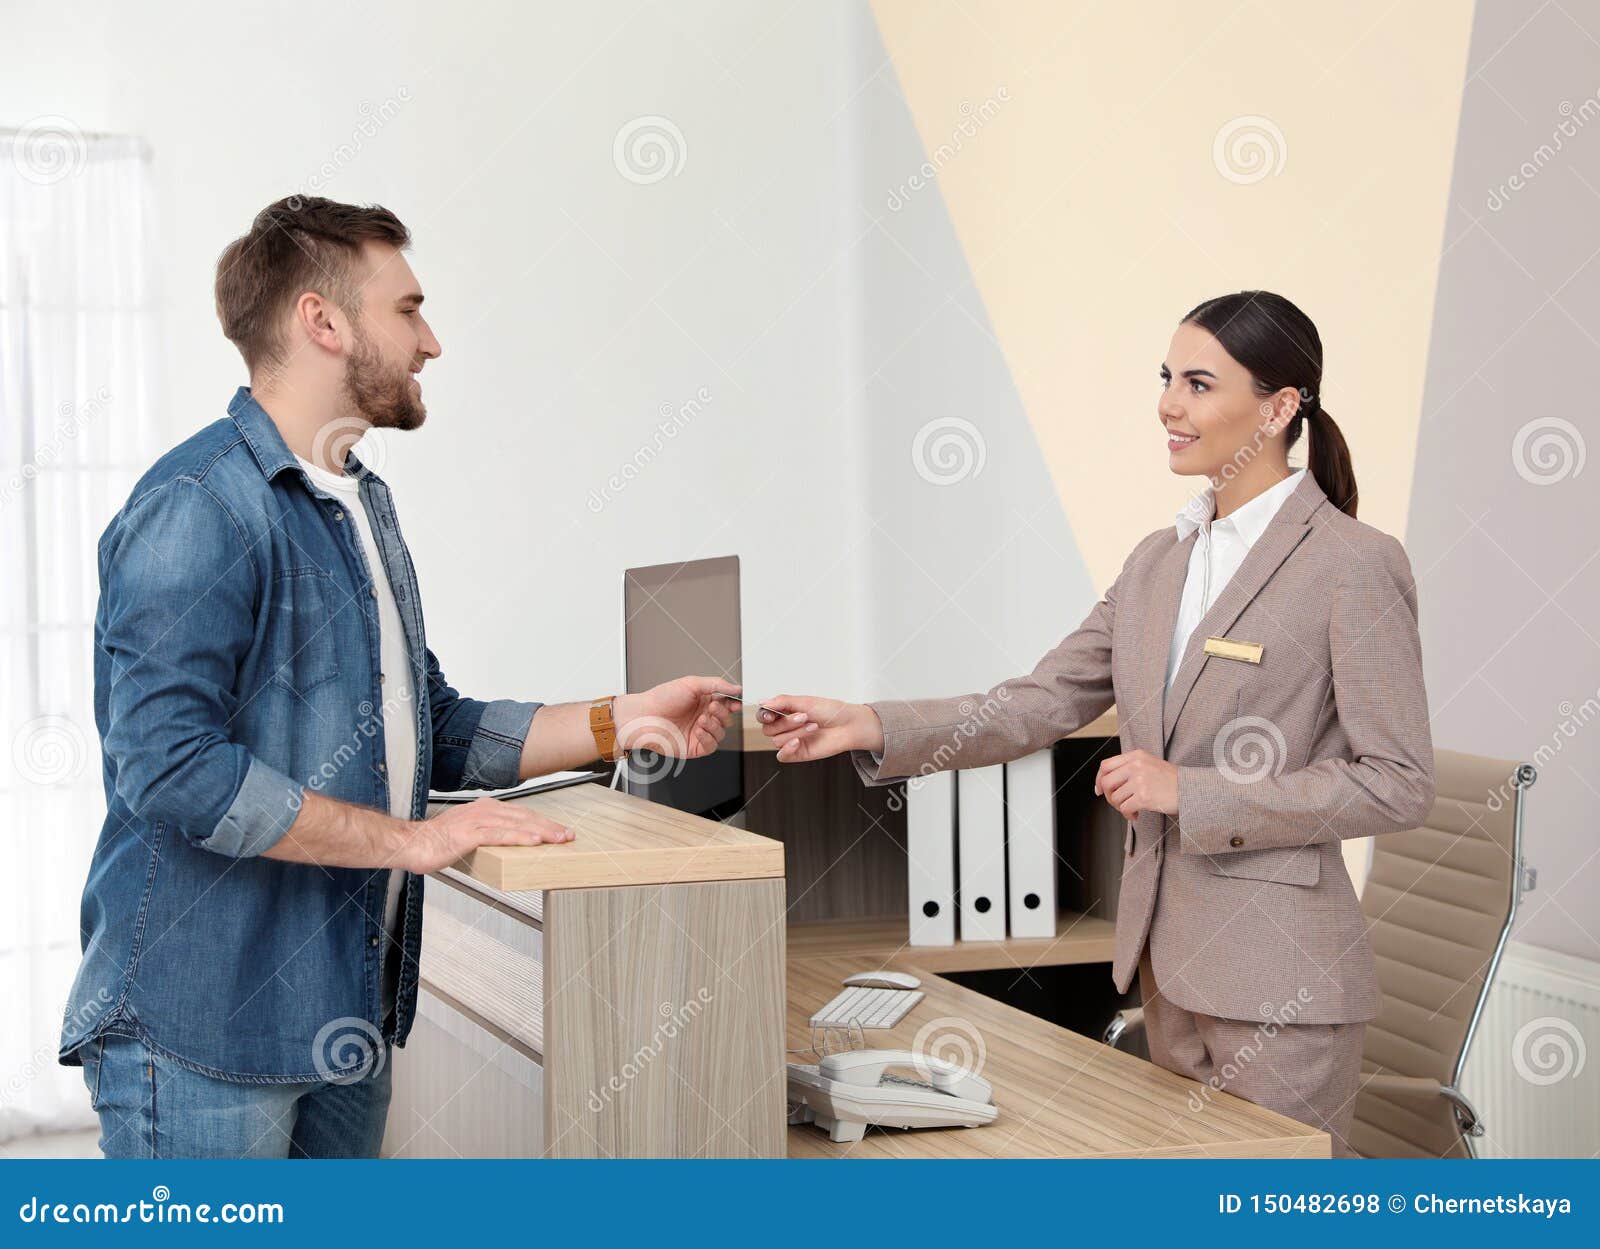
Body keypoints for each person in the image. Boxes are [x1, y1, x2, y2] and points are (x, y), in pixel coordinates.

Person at [60, 196, 738, 1158]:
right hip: (203, 1030)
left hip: (345, 1015)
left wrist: (620, 718)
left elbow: (434, 725)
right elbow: (170, 769)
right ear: (323, 322)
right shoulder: (198, 503)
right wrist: (409, 839)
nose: (433, 341)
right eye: (409, 308)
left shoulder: (358, 502)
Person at [759, 290, 1434, 1158]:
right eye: (1167, 378)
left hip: (1283, 989)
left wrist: (1188, 790)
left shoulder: (1353, 564)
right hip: (1165, 973)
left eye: (1198, 383)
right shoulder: (1159, 561)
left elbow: (1398, 780)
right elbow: (1040, 701)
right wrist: (870, 722)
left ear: (1278, 407)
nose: (1168, 405)